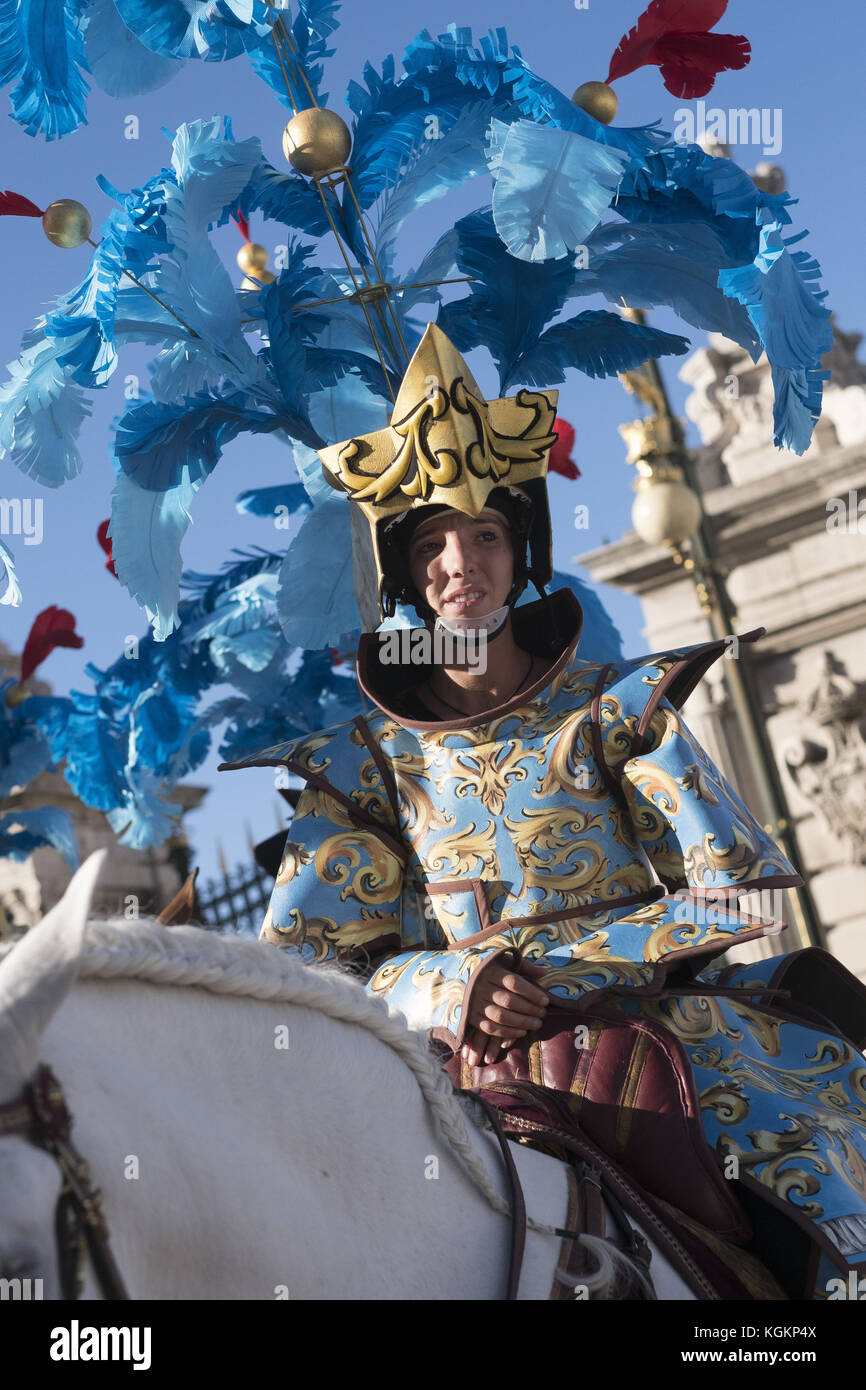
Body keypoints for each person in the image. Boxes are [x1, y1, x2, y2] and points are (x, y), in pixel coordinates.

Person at [221, 324, 866, 1300]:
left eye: (483, 533)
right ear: (399, 569)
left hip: (663, 1038)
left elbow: (738, 898)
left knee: (811, 1211)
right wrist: (454, 988)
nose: (459, 562)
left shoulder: (618, 710)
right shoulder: (358, 763)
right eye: (430, 540)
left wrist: (547, 971)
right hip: (456, 1075)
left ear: (521, 550)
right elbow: (308, 967)